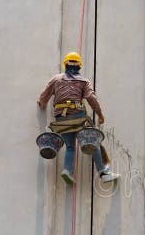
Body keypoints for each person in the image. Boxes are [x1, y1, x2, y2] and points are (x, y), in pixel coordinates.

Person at [37, 51, 119, 185]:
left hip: (61, 119)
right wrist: (100, 114)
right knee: (93, 143)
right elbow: (91, 99)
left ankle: (67, 171)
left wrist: (41, 103)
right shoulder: (84, 81)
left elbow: (44, 96)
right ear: (79, 66)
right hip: (78, 117)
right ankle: (104, 173)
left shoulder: (56, 79)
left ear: (65, 65)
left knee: (70, 147)